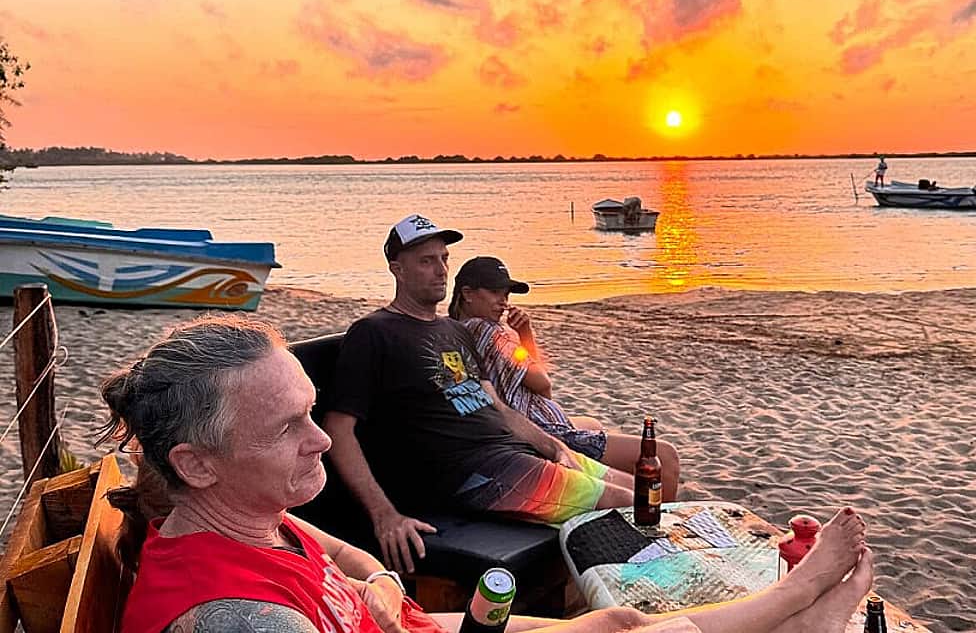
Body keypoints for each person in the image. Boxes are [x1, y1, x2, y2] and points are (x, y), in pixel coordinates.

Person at [99, 316, 876, 633]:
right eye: (288, 426)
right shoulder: (239, 618)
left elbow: (344, 559)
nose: (321, 441)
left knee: (617, 622)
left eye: (312, 410)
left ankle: (792, 614)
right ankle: (797, 601)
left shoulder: (242, 518)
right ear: (195, 463)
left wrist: (376, 586)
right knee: (623, 628)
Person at [323, 214, 638, 574]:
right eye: (426, 261)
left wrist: (554, 446)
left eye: (444, 259)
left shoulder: (455, 332)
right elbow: (338, 428)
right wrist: (384, 515)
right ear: (398, 269)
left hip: (512, 455)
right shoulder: (373, 332)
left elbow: (498, 407)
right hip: (470, 475)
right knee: (627, 504)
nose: (441, 270)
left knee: (641, 491)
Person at [448, 255, 681, 500]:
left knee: (593, 424)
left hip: (528, 424)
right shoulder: (488, 331)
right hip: (539, 430)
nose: (504, 302)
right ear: (467, 293)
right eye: (495, 292)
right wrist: (525, 334)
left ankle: (612, 489)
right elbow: (544, 385)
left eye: (506, 294)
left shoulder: (453, 330)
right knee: (665, 456)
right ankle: (659, 518)